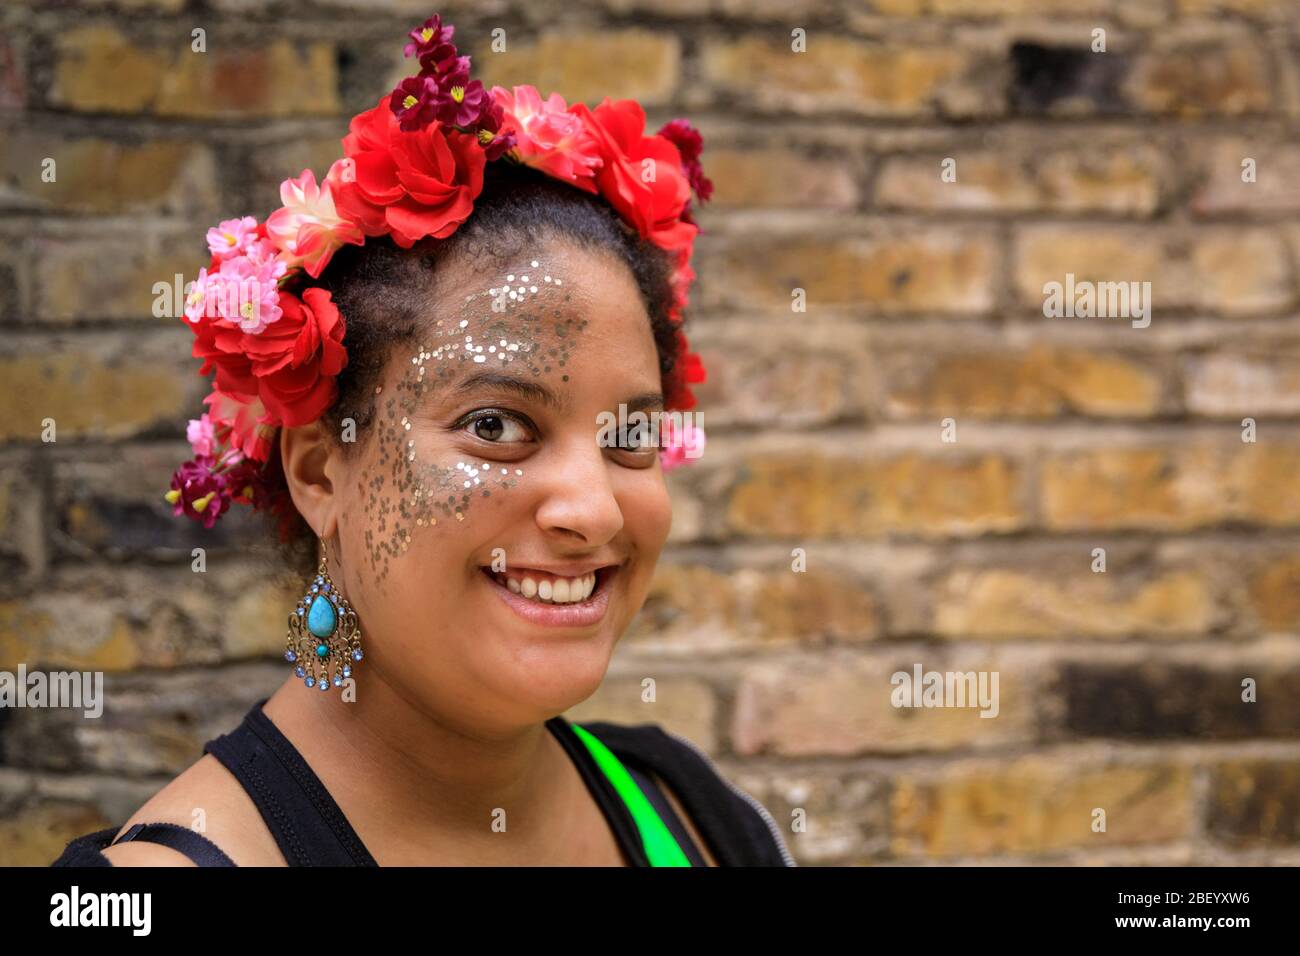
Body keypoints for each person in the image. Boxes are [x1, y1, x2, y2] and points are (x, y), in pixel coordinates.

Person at [50, 12, 793, 868]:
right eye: (496, 426)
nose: (592, 509)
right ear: (321, 472)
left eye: (628, 434)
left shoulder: (691, 814)